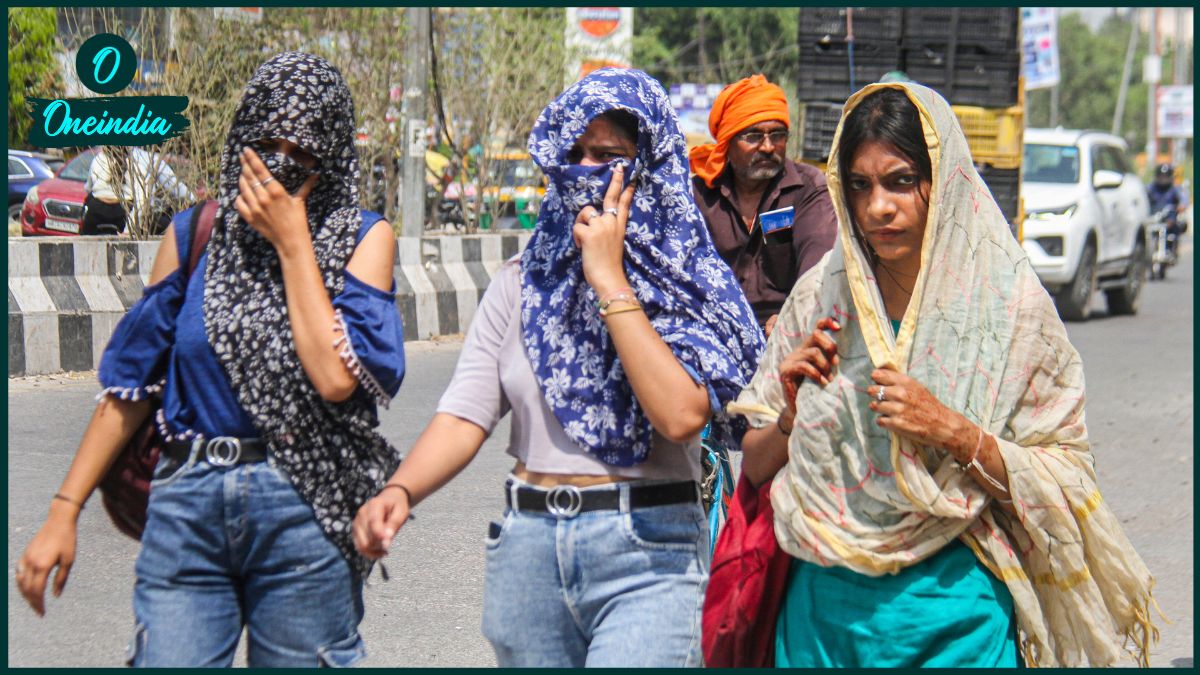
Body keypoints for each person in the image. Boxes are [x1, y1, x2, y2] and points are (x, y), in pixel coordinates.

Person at [729, 83, 1159, 667]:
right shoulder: (820, 298)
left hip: (957, 623)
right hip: (822, 619)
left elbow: (1066, 472)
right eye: (860, 185)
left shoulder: (1009, 309)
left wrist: (952, 431)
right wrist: (790, 415)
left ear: (946, 178)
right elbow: (756, 467)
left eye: (901, 181)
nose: (879, 207)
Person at [352, 67, 764, 667]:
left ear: (648, 165)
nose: (585, 171)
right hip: (529, 554)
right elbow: (464, 415)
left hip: (649, 556)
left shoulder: (686, 286)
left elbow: (680, 415)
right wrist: (399, 490)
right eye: (574, 154)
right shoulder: (523, 282)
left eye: (608, 156)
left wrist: (609, 279)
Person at [16, 52, 406, 667]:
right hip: (189, 503)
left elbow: (335, 378)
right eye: (267, 145)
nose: (281, 164)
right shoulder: (194, 234)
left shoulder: (361, 238)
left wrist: (293, 243)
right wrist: (64, 510)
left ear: (330, 156)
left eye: (303, 153)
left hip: (304, 507)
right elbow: (132, 385)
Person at [689, 74, 837, 336]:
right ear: (727, 143)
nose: (768, 147)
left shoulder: (807, 188)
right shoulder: (700, 194)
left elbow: (819, 269)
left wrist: (793, 316)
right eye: (753, 136)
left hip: (784, 329)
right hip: (710, 329)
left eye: (777, 135)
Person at [82, 145, 195, 236]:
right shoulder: (142, 161)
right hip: (124, 214)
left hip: (95, 214)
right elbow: (143, 200)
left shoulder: (98, 160)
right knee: (168, 229)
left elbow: (88, 188)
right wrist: (129, 231)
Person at [1147, 162, 1188, 257]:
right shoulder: (1151, 187)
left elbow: (1183, 198)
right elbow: (1142, 195)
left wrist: (1182, 205)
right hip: (1154, 215)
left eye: (1165, 176)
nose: (1163, 179)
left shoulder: (1174, 188)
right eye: (1161, 176)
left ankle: (1172, 247)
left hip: (1169, 215)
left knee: (1176, 223)